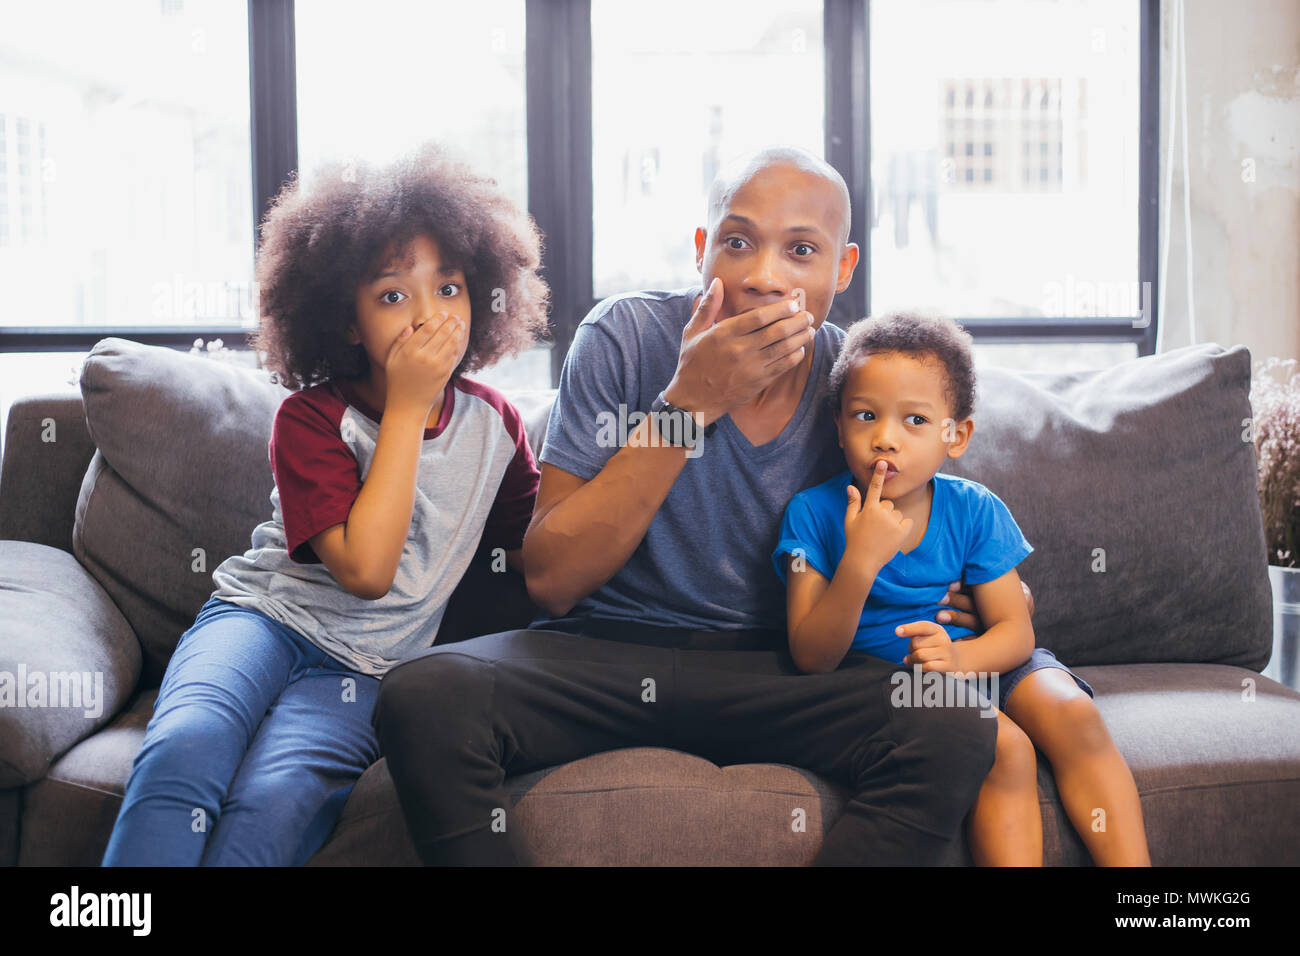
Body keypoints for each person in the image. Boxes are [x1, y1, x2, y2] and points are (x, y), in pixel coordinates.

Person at [374, 146, 1038, 866]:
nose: (763, 276)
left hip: (784, 672)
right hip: (606, 653)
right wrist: (689, 404)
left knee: (955, 722)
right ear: (702, 249)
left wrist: (982, 596)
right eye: (738, 242)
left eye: (802, 250)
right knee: (424, 696)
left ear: (843, 269)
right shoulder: (624, 336)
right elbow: (551, 581)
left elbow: (933, 524)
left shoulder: (856, 383)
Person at [102, 142, 549, 865]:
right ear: (347, 322)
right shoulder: (311, 419)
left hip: (365, 672)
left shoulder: (495, 428)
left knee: (276, 800)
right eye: (393, 296)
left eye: (449, 288)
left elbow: (539, 550)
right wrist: (408, 407)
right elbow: (366, 570)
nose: (427, 317)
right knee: (186, 747)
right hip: (262, 621)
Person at [774, 312, 1151, 865]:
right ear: (838, 425)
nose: (885, 438)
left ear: (957, 436)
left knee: (1074, 715)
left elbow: (1015, 632)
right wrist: (860, 561)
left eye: (915, 420)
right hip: (895, 679)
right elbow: (811, 656)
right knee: (1004, 747)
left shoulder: (974, 509)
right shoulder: (812, 513)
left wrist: (961, 658)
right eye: (865, 415)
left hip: (981, 657)